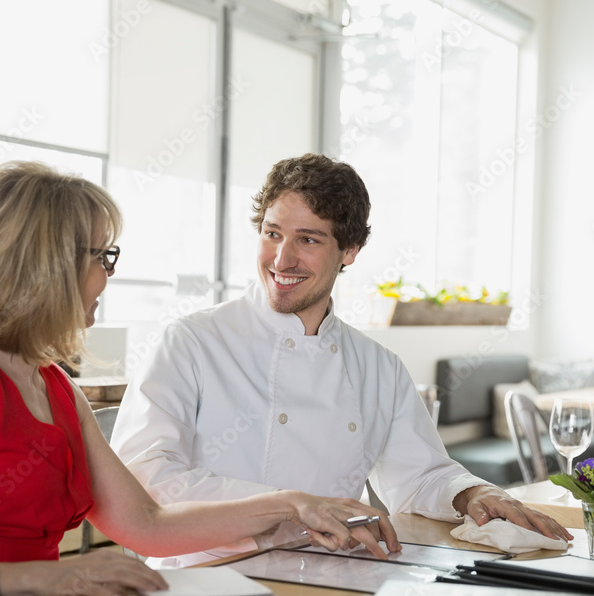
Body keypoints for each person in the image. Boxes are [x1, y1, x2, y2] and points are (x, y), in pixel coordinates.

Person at [0, 161, 396, 596]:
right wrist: (44, 576)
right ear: (48, 267)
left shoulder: (54, 388)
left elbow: (147, 524)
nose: (108, 274)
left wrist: (293, 504)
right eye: (102, 257)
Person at [111, 153, 570, 564]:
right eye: (272, 234)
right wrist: (289, 506)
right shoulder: (190, 342)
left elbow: (420, 476)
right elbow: (145, 481)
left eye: (308, 240)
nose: (282, 259)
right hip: (204, 574)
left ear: (349, 251)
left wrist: (472, 493)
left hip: (331, 570)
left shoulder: (377, 366)